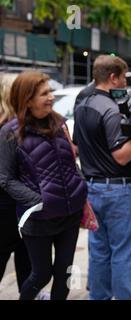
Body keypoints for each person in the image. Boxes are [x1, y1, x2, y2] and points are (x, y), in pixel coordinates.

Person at [0, 71, 87, 300]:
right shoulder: (9, 132)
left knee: (65, 273)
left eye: (50, 91)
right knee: (41, 275)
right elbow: (5, 179)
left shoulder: (60, 123)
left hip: (70, 215)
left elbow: (70, 162)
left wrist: (80, 187)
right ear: (27, 99)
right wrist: (38, 201)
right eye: (44, 93)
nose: (51, 97)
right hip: (38, 220)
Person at [73, 55, 131, 300]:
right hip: (118, 192)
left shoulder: (82, 104)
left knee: (99, 252)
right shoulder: (110, 109)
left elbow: (76, 146)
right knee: (123, 254)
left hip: (93, 187)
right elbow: (121, 156)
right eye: (123, 78)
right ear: (113, 77)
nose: (125, 84)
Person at [0, 73, 32, 294]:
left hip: (18, 207)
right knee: (27, 267)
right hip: (14, 207)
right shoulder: (13, 129)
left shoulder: (23, 126)